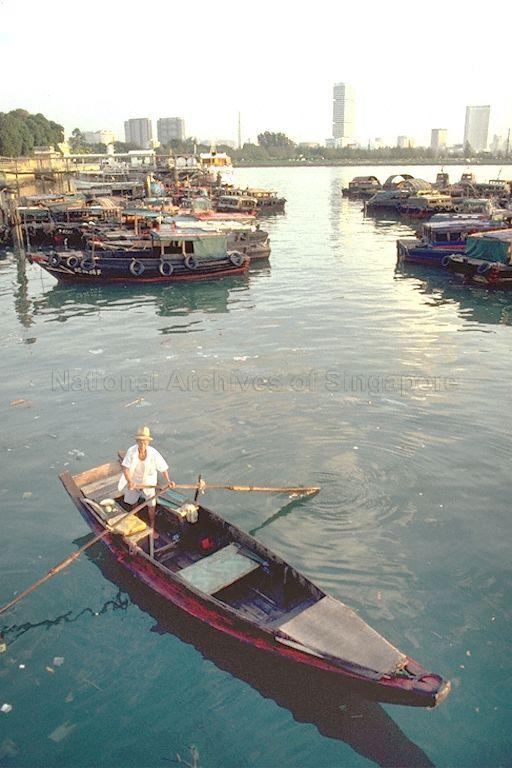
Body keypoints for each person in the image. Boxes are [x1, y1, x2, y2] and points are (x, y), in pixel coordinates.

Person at [119, 426, 175, 544]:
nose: (142, 444)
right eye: (140, 441)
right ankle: (137, 523)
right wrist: (129, 481)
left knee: (151, 505)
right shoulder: (131, 451)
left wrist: (168, 481)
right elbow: (125, 467)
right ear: (137, 442)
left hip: (149, 483)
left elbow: (163, 468)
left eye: (145, 442)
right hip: (134, 482)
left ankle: (152, 527)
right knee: (133, 503)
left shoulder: (153, 453)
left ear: (148, 442)